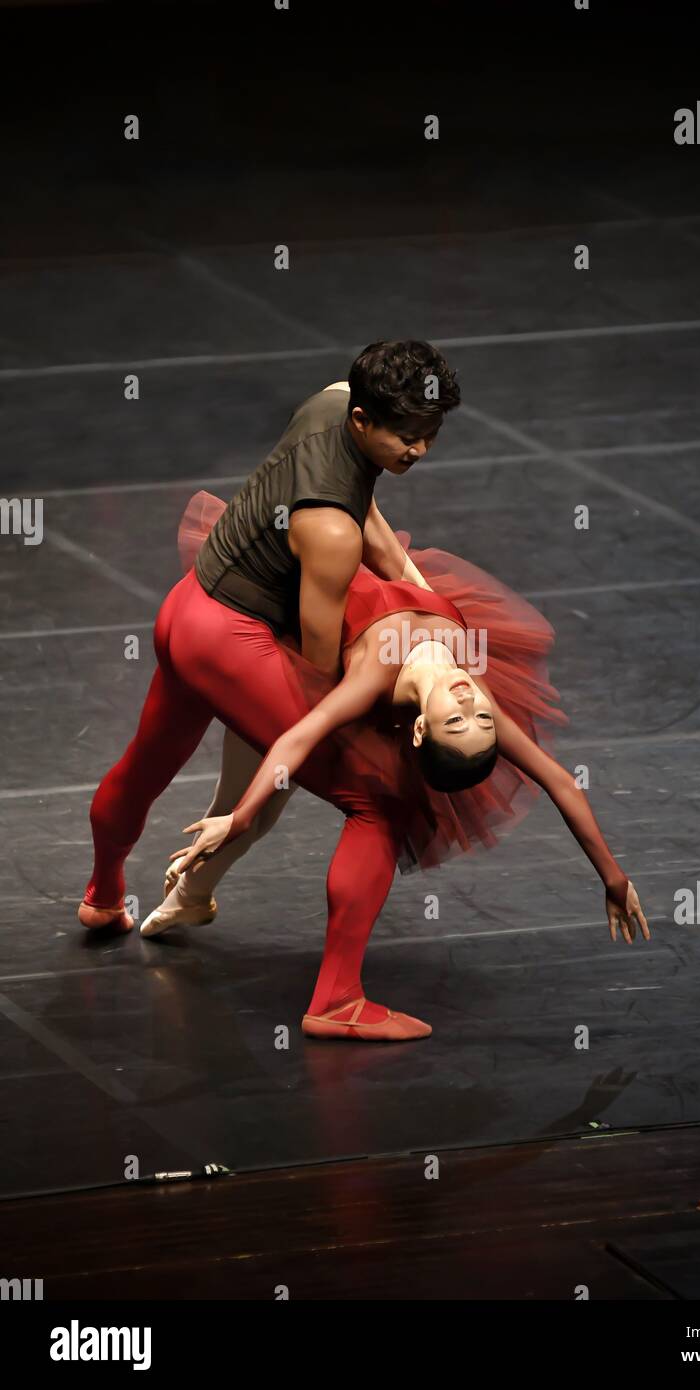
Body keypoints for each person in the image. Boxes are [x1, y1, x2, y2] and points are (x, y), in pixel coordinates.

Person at [149, 510, 649, 1041]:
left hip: (291, 619)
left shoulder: (374, 675)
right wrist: (614, 879)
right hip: (353, 558)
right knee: (265, 781)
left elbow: (298, 737)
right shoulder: (470, 677)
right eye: (480, 716)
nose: (469, 702)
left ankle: (193, 890)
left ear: (419, 731)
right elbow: (560, 781)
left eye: (456, 721)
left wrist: (239, 819)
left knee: (266, 786)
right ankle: (193, 895)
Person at [78, 341, 460, 933]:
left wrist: (426, 603)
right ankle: (336, 999)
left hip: (189, 607)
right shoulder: (330, 531)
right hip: (234, 641)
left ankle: (103, 896)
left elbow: (366, 510)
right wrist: (378, 694)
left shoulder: (333, 400)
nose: (419, 449)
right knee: (373, 799)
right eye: (406, 435)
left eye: (430, 433)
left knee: (146, 764)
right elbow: (317, 668)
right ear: (363, 419)